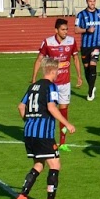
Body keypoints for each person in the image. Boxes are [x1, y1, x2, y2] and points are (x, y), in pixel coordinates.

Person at [14, 58, 75, 199]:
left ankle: (22, 197)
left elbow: (21, 107)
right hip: (44, 134)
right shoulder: (51, 87)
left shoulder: (33, 86)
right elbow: (51, 107)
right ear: (53, 71)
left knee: (39, 164)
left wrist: (29, 121)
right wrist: (66, 123)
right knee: (55, 165)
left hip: (29, 132)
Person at [32, 17, 78, 151]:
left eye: (66, 29)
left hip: (65, 83)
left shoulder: (71, 41)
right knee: (50, 112)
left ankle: (63, 143)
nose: (65, 32)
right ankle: (48, 139)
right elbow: (39, 59)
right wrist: (34, 77)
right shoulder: (48, 42)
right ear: (56, 30)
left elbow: (75, 58)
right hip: (51, 84)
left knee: (63, 113)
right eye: (63, 29)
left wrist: (79, 76)